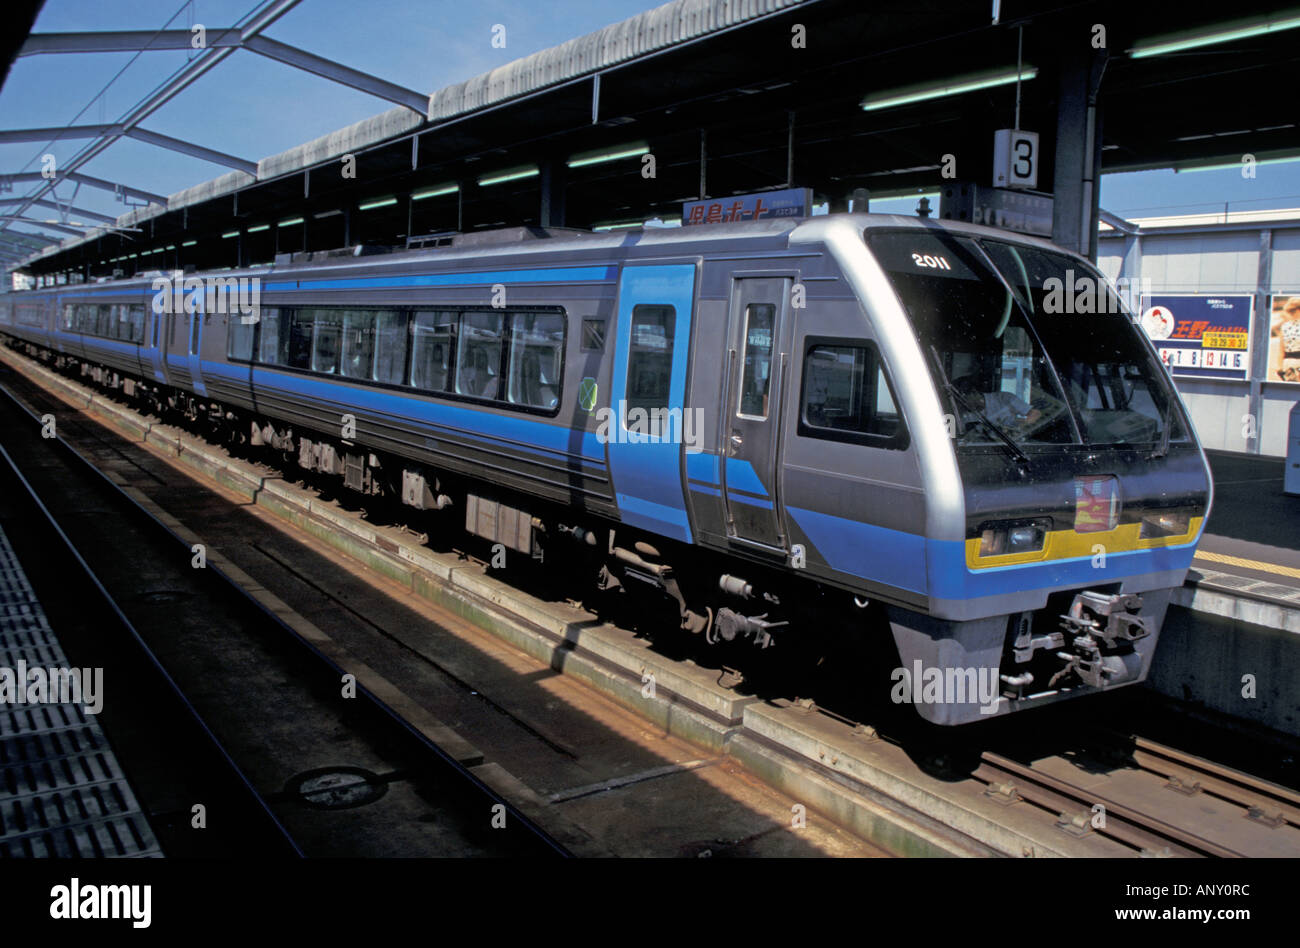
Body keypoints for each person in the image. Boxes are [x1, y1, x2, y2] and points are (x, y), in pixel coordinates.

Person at [954, 376, 1041, 431]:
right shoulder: (961, 415)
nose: (963, 404)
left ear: (974, 392)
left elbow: (1036, 413)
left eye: (964, 399)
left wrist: (1024, 425)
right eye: (959, 402)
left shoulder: (1005, 399)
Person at [1272, 297, 1300, 382]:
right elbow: (1281, 350)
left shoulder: (1285, 326)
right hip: (1293, 364)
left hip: (1289, 364)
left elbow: (1281, 351)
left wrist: (1280, 366)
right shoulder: (1285, 326)